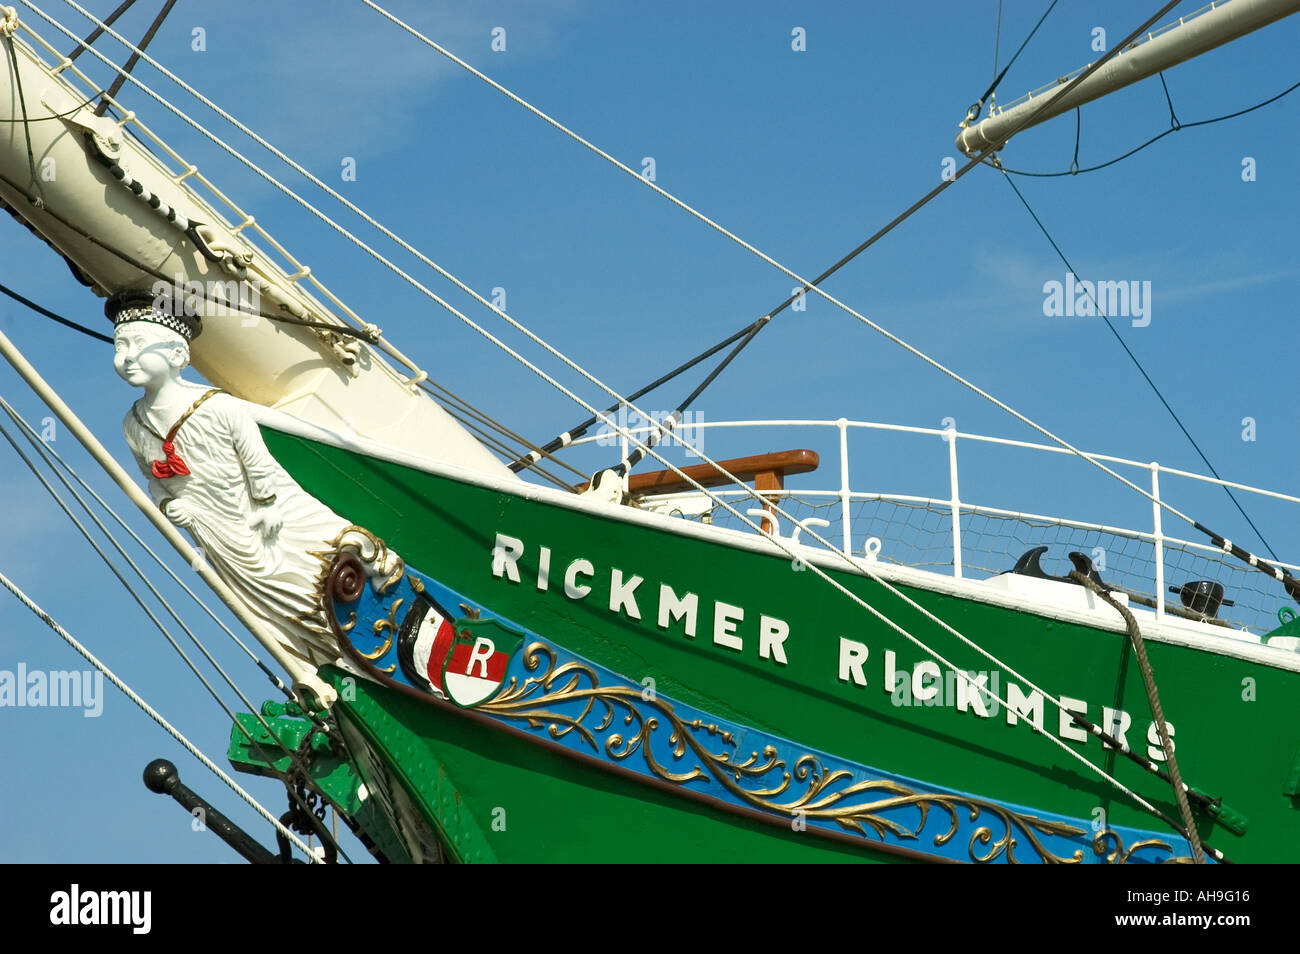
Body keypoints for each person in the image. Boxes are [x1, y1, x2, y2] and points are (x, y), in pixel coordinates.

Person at [111, 291, 359, 666]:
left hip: (264, 518)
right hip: (214, 531)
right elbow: (153, 479)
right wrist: (167, 504)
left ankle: (343, 632)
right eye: (119, 346)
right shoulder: (134, 425)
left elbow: (256, 460)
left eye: (139, 345)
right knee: (261, 600)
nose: (126, 357)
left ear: (178, 355)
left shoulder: (219, 406)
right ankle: (318, 649)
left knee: (302, 573)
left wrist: (267, 503)